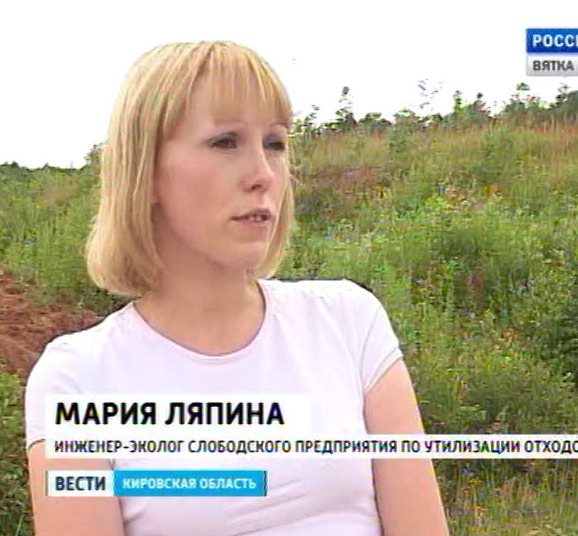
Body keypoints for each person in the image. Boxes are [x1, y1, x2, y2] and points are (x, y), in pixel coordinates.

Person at [24, 40, 450, 536]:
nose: (263, 175)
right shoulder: (79, 378)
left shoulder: (349, 322)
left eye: (275, 143)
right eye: (225, 142)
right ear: (146, 171)